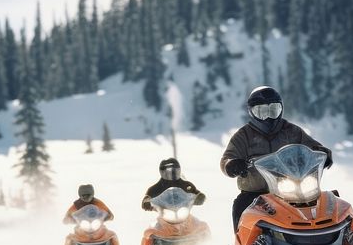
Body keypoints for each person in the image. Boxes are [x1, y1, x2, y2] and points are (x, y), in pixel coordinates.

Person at [220, 86, 333, 230]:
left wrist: (323, 153)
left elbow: (312, 146)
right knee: (241, 206)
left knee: (329, 203)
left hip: (294, 190)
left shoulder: (292, 131)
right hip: (256, 193)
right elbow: (228, 157)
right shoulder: (244, 136)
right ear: (252, 112)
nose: (268, 117)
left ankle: (342, 238)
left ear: (280, 109)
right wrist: (232, 165)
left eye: (273, 111)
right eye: (261, 112)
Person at [140, 158, 206, 211]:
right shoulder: (155, 188)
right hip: (165, 218)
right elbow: (147, 198)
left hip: (183, 215)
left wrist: (200, 197)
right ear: (162, 172)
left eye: (174, 171)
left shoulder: (186, 185)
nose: (171, 174)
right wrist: (146, 203)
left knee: (202, 226)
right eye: (168, 172)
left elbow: (197, 194)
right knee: (151, 228)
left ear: (179, 170)